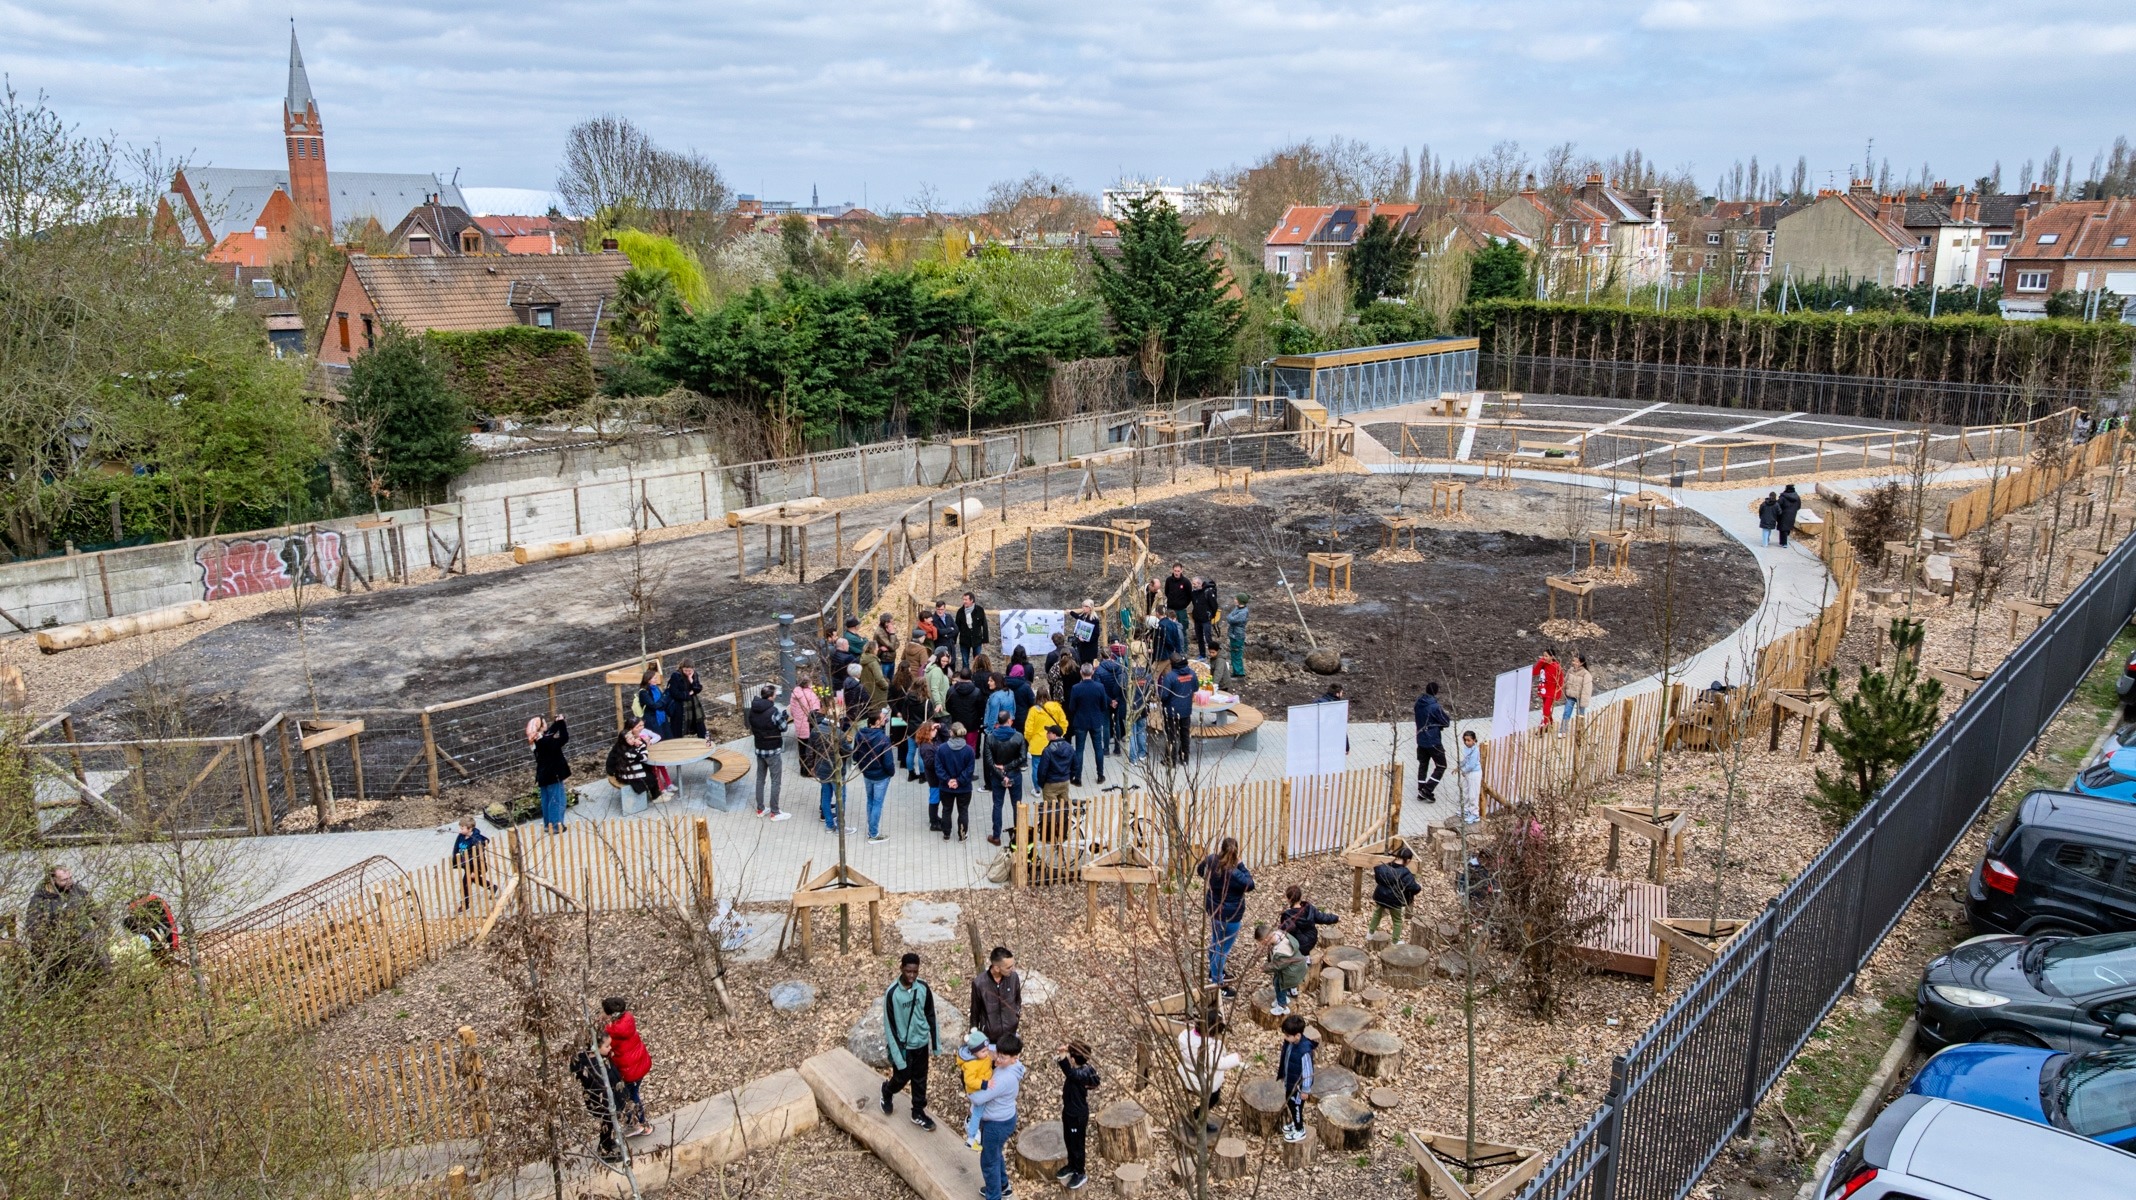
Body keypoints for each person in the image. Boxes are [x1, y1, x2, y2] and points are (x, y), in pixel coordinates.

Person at [880, 953, 941, 1131]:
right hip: (903, 1046)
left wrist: (936, 1046)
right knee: (902, 1077)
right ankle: (887, 1091)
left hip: (921, 1042)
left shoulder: (922, 988)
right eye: (908, 971)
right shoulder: (892, 994)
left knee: (920, 1079)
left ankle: (918, 1112)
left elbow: (931, 1015)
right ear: (901, 969)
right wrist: (897, 1055)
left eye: (915, 971)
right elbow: (889, 1026)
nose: (912, 976)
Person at [26, 865, 105, 980]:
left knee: (101, 958)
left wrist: (104, 931)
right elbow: (33, 927)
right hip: (54, 947)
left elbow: (97, 913)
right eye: (64, 880)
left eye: (70, 878)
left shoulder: (78, 891)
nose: (69, 882)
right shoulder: (39, 900)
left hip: (81, 941)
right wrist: (50, 945)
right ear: (53, 880)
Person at [1197, 837, 1254, 993]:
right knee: (1223, 950)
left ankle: (1213, 972)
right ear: (1236, 854)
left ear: (1221, 849)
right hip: (1231, 916)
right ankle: (1218, 984)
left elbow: (1200, 870)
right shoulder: (1235, 873)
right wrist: (1241, 865)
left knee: (1216, 940)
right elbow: (1251, 885)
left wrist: (1210, 883)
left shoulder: (1212, 860)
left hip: (1214, 910)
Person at [1174, 1008, 1240, 1138]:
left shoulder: (1185, 1036)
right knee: (1212, 1098)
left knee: (1206, 1096)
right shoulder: (1207, 1048)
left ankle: (1196, 1113)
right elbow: (1219, 1064)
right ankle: (1197, 1119)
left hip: (1188, 1075)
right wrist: (1236, 1058)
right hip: (1203, 1081)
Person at [975, 1034, 1025, 1200]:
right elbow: (991, 1049)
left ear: (1014, 1058)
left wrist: (971, 1084)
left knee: (989, 1162)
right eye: (998, 1054)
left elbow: (978, 1098)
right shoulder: (1013, 1064)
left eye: (1002, 1058)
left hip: (996, 1125)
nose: (997, 1060)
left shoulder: (1005, 1079)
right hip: (1005, 1119)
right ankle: (1003, 1186)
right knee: (995, 1154)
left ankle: (994, 1196)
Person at [601, 997, 654, 1138]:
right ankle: (640, 1124)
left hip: (630, 1070)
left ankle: (638, 1124)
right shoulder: (627, 1018)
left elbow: (605, 1043)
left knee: (630, 1098)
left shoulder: (612, 1031)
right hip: (640, 1063)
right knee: (633, 1094)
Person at [572, 1037, 629, 1163]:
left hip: (610, 1098)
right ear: (596, 1048)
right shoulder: (592, 1067)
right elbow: (599, 1089)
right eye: (607, 1046)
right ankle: (604, 1149)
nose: (610, 1048)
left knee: (608, 1123)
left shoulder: (600, 1058)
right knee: (608, 1122)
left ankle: (607, 1142)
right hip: (604, 1103)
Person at [1056, 1040, 1100, 1190]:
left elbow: (1068, 1071)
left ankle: (1079, 1171)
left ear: (1073, 1060)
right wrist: (1068, 1049)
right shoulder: (1084, 1070)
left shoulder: (1079, 1074)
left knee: (1077, 1145)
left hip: (1077, 1116)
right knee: (1069, 1141)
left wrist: (1063, 1054)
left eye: (1070, 1056)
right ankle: (1071, 1165)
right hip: (1068, 1113)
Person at [983, 711, 1028, 846]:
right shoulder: (1018, 737)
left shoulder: (990, 738)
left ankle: (996, 837)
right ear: (1009, 721)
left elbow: (989, 762)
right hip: (1014, 774)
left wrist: (1001, 773)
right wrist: (1008, 768)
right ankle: (1018, 836)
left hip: (997, 777)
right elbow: (1022, 758)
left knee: (997, 805)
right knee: (1017, 805)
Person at [746, 684, 791, 820]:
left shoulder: (753, 710)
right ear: (771, 696)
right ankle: (775, 812)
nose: (776, 695)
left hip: (759, 749)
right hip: (773, 751)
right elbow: (783, 728)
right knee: (775, 781)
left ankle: (760, 809)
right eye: (775, 694)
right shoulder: (773, 711)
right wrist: (784, 717)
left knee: (760, 779)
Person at [855, 708, 896, 844]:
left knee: (870, 800)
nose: (885, 719)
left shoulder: (860, 734)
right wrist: (891, 773)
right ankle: (873, 833)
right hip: (881, 776)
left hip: (867, 773)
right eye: (883, 717)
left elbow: (855, 755)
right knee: (877, 803)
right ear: (878, 721)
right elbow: (888, 762)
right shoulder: (884, 739)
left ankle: (871, 828)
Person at [1066, 664, 1111, 786]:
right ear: (1092, 673)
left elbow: (1071, 707)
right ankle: (1100, 775)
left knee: (1079, 750)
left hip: (1080, 722)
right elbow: (1104, 706)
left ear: (1081, 673)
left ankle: (1078, 777)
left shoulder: (1076, 688)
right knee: (1098, 749)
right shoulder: (1100, 687)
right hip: (1096, 721)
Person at [969, 945, 1023, 1044]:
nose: (1013, 969)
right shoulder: (979, 983)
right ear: (997, 968)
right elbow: (975, 1012)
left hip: (1010, 1034)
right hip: (989, 1037)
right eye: (1009, 967)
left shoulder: (1014, 977)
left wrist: (1016, 1015)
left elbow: (1017, 999)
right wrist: (974, 1036)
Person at [1276, 1015, 1317, 1143]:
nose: (1285, 1037)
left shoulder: (1304, 1051)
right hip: (1290, 1083)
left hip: (1298, 1088)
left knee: (1296, 1107)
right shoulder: (1291, 1043)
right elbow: (1286, 1059)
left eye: (1287, 1035)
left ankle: (1300, 1130)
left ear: (1297, 1036)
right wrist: (1283, 1074)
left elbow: (1308, 1072)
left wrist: (1305, 1089)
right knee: (1289, 1102)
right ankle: (1295, 1123)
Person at [1370, 846, 1423, 941]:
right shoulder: (1405, 873)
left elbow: (1379, 880)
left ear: (1397, 856)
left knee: (1377, 914)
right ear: (1407, 860)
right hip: (1395, 900)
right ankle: (1395, 941)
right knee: (1397, 921)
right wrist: (1419, 887)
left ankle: (1369, 934)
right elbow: (1414, 888)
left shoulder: (1384, 867)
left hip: (1381, 897)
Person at [529, 715, 572, 832]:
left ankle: (548, 824)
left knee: (546, 800)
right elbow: (564, 738)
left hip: (543, 775)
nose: (546, 725)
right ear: (541, 728)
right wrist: (562, 724)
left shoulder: (536, 739)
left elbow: (549, 732)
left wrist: (557, 723)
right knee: (556, 800)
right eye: (544, 723)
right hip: (553, 775)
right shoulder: (547, 742)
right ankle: (556, 825)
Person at [1255, 921, 1309, 1014]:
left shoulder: (1282, 949)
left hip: (1292, 972)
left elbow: (1278, 965)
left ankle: (1282, 1006)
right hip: (1292, 967)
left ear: (1267, 938)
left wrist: (1264, 968)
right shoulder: (1279, 934)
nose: (1262, 945)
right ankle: (1283, 998)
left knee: (1279, 985)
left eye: (1263, 942)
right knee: (1278, 983)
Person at [934, 723, 976, 840]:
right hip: (964, 788)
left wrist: (948, 780)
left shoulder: (942, 749)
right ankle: (962, 835)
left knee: (946, 810)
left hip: (946, 787)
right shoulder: (969, 750)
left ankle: (946, 834)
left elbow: (938, 767)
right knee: (963, 811)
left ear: (951, 733)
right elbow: (970, 770)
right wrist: (959, 781)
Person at [1025, 683, 1070, 789]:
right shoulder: (1057, 708)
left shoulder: (1033, 711)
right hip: (1053, 742)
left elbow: (1028, 729)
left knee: (1036, 766)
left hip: (1037, 743)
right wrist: (1060, 735)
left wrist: (1030, 740)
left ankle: (1037, 788)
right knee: (1052, 765)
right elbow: (1064, 723)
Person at [1415, 683, 1453, 805]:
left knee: (1423, 764)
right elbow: (1446, 721)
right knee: (1441, 766)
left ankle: (1420, 789)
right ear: (1436, 692)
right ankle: (1427, 790)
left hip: (1420, 739)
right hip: (1433, 740)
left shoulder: (1418, 703)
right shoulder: (1434, 706)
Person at [1277, 884, 1340, 957]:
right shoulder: (1309, 908)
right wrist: (1336, 918)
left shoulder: (1288, 915)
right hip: (1312, 940)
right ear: (1300, 897)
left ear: (1288, 899)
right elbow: (1322, 917)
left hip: (1299, 945)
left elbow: (1283, 930)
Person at [958, 1027, 994, 1151]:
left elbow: (988, 1063)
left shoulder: (983, 1057)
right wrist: (984, 1084)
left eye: (987, 1049)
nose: (987, 1053)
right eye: (984, 1051)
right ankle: (971, 1138)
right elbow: (969, 1081)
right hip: (975, 1091)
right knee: (978, 1113)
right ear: (974, 1052)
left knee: (979, 1111)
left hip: (982, 1086)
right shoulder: (972, 1064)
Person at [1160, 656, 1199, 768]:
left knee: (1171, 735)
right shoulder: (1192, 673)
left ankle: (1170, 760)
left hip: (1171, 711)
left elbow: (1164, 695)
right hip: (1186, 710)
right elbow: (1196, 688)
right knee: (1185, 734)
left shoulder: (1170, 677)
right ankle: (1184, 758)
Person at [811, 721, 849, 834]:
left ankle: (829, 824)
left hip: (821, 769)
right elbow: (847, 751)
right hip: (836, 771)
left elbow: (811, 749)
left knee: (825, 796)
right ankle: (839, 827)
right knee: (840, 798)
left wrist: (812, 765)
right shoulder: (838, 733)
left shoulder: (815, 730)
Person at [890, 661, 924, 778]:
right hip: (909, 714)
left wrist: (896, 712)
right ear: (908, 669)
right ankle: (907, 760)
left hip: (897, 714)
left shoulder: (894, 682)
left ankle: (902, 760)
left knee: (900, 737)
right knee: (907, 736)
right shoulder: (911, 682)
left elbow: (890, 699)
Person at [452, 815, 491, 910]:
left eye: (462, 828)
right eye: (460, 828)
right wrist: (456, 860)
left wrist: (475, 870)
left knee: (465, 884)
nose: (460, 830)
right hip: (466, 864)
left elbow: (478, 856)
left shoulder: (475, 839)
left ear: (470, 829)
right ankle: (493, 888)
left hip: (476, 866)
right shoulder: (461, 836)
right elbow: (456, 847)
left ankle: (465, 904)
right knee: (474, 879)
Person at [605, 724, 652, 804]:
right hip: (624, 775)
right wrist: (641, 746)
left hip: (622, 771)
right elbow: (644, 757)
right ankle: (653, 795)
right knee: (650, 776)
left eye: (633, 737)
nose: (633, 740)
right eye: (630, 739)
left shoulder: (623, 747)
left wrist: (637, 745)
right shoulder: (628, 752)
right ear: (624, 741)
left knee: (648, 772)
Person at [1096, 647, 1129, 754]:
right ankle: (1117, 749)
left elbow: (1099, 688)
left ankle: (1106, 749)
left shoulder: (1099, 670)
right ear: (1111, 655)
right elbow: (1122, 684)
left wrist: (1110, 701)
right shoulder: (1119, 667)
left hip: (1105, 700)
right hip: (1117, 699)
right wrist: (1117, 700)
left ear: (1101, 656)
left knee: (1106, 724)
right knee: (1117, 723)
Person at [946, 670, 986, 750]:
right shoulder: (977, 691)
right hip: (972, 724)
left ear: (960, 677)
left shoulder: (951, 690)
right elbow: (981, 709)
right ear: (971, 677)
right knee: (971, 747)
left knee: (956, 747)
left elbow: (948, 707)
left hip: (957, 723)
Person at [666, 662, 705, 739]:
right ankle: (676, 743)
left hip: (693, 703)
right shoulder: (675, 676)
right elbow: (674, 693)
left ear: (693, 669)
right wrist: (688, 694)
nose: (687, 672)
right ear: (681, 668)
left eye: (689, 671)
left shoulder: (694, 674)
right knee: (678, 726)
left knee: (699, 722)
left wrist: (691, 680)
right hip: (679, 705)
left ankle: (704, 740)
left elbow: (698, 688)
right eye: (685, 670)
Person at [955, 591, 990, 670]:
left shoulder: (980, 610)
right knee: (965, 661)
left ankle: (977, 675)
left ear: (971, 600)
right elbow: (957, 627)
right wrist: (954, 640)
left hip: (977, 640)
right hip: (964, 640)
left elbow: (984, 625)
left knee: (977, 660)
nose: (964, 601)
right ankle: (965, 676)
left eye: (966, 600)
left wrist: (985, 640)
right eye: (963, 599)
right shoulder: (960, 612)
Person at [1128, 665, 1154, 764]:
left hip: (1131, 710)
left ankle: (1133, 758)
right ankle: (1142, 754)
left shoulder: (1128, 679)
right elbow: (1152, 693)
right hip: (1143, 710)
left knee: (1132, 734)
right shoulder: (1148, 679)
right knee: (1141, 732)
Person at [1561, 654, 1594, 731]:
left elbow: (1587, 689)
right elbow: (1565, 682)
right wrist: (1562, 693)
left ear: (1582, 663)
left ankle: (1580, 730)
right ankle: (1563, 730)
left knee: (1580, 715)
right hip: (1570, 696)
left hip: (1580, 698)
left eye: (1577, 662)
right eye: (1573, 661)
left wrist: (1583, 702)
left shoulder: (1586, 674)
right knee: (1566, 712)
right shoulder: (1570, 670)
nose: (1574, 663)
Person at [634, 667, 669, 738]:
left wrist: (661, 702)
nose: (656, 680)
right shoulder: (643, 692)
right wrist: (662, 702)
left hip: (661, 717)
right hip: (651, 720)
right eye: (654, 678)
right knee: (657, 738)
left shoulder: (656, 688)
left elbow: (663, 700)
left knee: (667, 737)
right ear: (648, 680)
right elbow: (653, 705)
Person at [1223, 594, 1250, 685]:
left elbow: (1231, 619)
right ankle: (1236, 672)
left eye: (1236, 599)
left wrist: (1230, 617)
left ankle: (1239, 674)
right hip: (1234, 634)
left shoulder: (1243, 612)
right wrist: (1230, 617)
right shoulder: (1237, 609)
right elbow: (1230, 617)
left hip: (1237, 635)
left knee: (1237, 654)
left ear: (1240, 601)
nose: (1234, 600)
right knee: (1234, 654)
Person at [1190, 576, 1220, 658]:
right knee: (1199, 638)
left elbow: (1214, 606)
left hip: (1206, 619)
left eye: (1194, 584)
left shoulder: (1208, 592)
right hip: (1197, 619)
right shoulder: (1194, 593)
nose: (1193, 585)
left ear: (1199, 584)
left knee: (1208, 638)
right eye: (1192, 584)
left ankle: (1212, 655)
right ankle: (1202, 654)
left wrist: (1210, 615)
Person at [1458, 729, 1483, 826]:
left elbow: (1472, 764)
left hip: (1474, 773)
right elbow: (1465, 759)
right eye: (1465, 740)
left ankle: (1475, 814)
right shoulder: (1466, 749)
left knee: (1473, 794)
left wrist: (1464, 770)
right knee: (1466, 791)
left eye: (1468, 740)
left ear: (1474, 740)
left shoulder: (1475, 750)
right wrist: (1459, 766)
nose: (1466, 742)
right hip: (1467, 773)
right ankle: (1467, 809)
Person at [1534, 649, 1564, 729]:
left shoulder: (1557, 667)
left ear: (1552, 657)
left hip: (1551, 691)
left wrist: (1558, 693)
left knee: (1546, 708)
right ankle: (1550, 722)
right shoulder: (1543, 664)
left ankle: (1543, 725)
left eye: (1546, 656)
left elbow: (1560, 681)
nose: (1544, 658)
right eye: (1543, 656)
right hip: (1544, 689)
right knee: (1546, 708)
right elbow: (1535, 672)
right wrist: (1540, 662)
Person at [1069, 600, 1102, 664]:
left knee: (1088, 667)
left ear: (1090, 608)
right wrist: (1071, 612)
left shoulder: (1094, 619)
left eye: (1085, 606)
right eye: (1083, 606)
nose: (1083, 608)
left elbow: (1096, 635)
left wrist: (1085, 639)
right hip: (1082, 648)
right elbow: (1078, 618)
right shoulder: (1084, 616)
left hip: (1089, 649)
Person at [925, 649, 952, 721]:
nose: (945, 663)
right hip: (940, 708)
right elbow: (934, 688)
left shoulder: (931, 668)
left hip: (935, 706)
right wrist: (938, 703)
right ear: (938, 659)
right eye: (943, 661)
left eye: (947, 661)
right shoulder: (937, 670)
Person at [1777, 483, 1802, 547]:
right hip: (1792, 514)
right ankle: (1784, 541)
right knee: (1788, 527)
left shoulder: (1783, 497)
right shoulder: (1797, 497)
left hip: (1783, 515)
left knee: (1783, 529)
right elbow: (1799, 506)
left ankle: (1784, 543)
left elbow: (1778, 506)